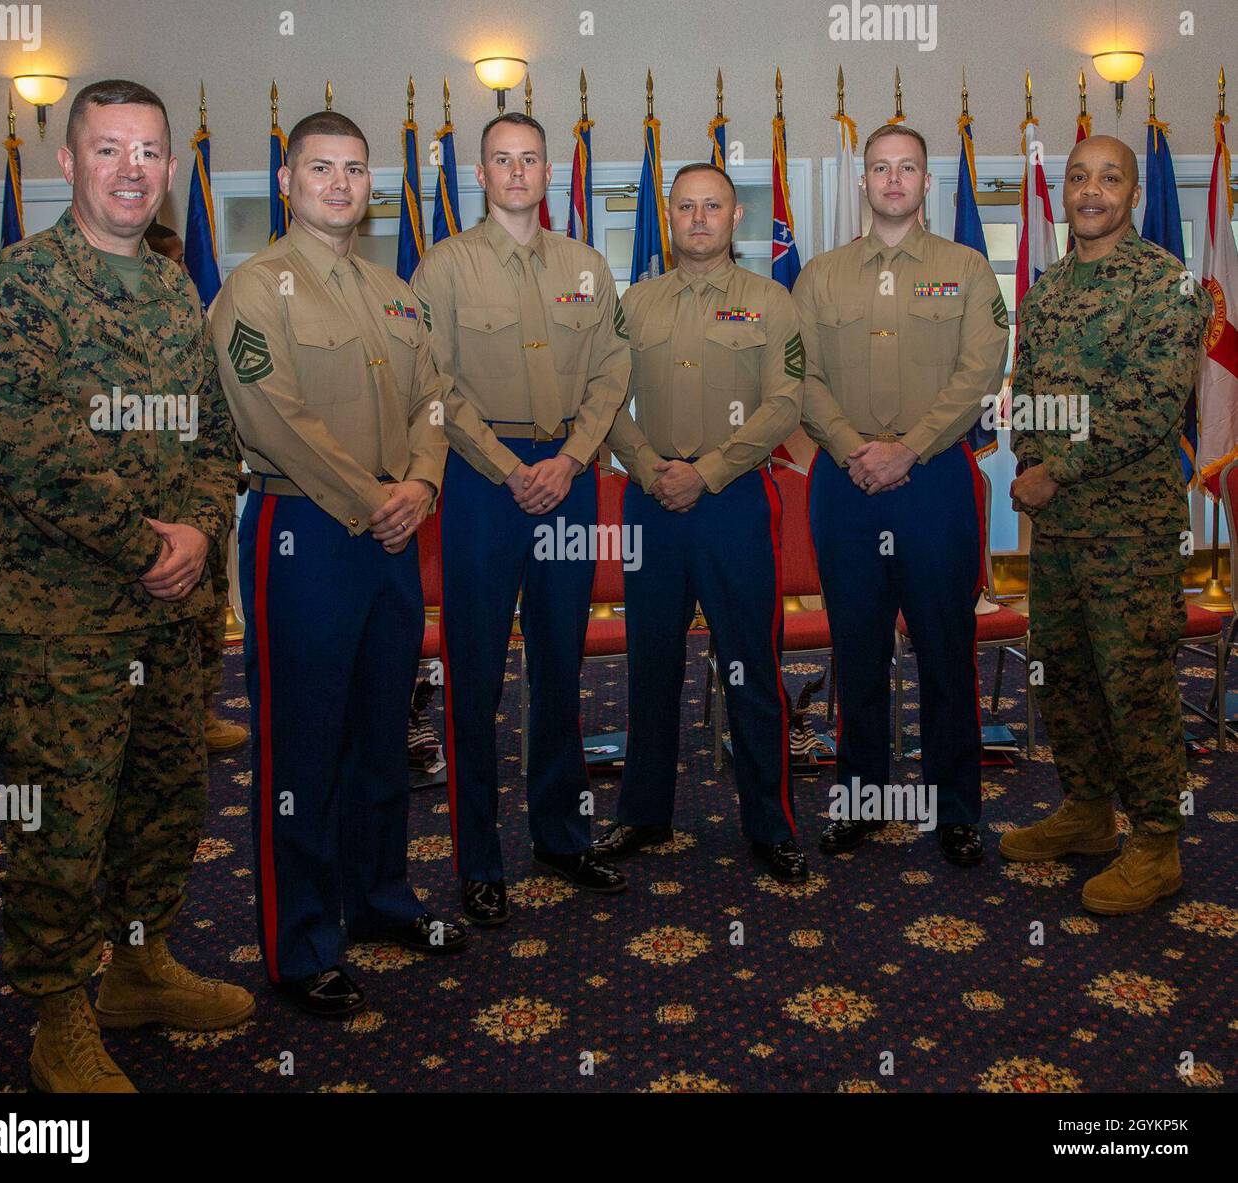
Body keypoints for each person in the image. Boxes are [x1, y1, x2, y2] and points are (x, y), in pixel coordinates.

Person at [0, 79, 253, 1093]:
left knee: (163, 804)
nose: (132, 169)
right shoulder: (18, 287)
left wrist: (202, 527)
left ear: (169, 169)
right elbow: (16, 446)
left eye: (149, 153)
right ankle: (57, 1017)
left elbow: (219, 436)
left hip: (175, 614)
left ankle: (138, 967)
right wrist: (142, 543)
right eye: (109, 149)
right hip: (67, 624)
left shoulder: (175, 288)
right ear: (68, 162)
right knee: (63, 819)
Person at [211, 111, 463, 1017]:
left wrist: (424, 486)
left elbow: (436, 400)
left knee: (382, 740)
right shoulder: (255, 288)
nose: (340, 184)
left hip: (395, 536)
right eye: (321, 168)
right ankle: (301, 942)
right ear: (287, 181)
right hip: (306, 535)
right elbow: (274, 419)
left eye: (355, 170)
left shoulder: (395, 292)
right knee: (302, 751)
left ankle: (382, 900)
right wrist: (377, 501)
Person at [411, 113, 632, 925]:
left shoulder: (585, 266)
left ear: (549, 171)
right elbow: (434, 385)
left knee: (561, 666)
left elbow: (614, 367)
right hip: (482, 483)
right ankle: (478, 858)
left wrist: (571, 460)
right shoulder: (444, 269)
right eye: (501, 159)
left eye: (529, 158)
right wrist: (512, 470)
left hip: (569, 476)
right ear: (481, 173)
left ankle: (562, 835)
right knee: (474, 677)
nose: (516, 171)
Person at [1002, 135, 1211, 914]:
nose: (1092, 191)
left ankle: (1157, 842)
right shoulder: (1049, 289)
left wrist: (1052, 471)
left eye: (1109, 178)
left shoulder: (1167, 283)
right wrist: (1028, 461)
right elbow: (1025, 389)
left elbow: (1148, 406)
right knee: (1064, 673)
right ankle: (1088, 810)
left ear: (1134, 194)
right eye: (1079, 178)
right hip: (1057, 532)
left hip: (1131, 530)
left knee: (1137, 683)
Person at [792, 124, 1009, 866]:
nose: (892, 180)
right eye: (880, 168)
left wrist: (908, 449)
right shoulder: (821, 276)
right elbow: (801, 377)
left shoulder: (968, 268)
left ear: (926, 181)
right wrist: (858, 450)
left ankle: (955, 809)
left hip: (934, 482)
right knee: (857, 652)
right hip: (845, 484)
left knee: (946, 651)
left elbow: (980, 370)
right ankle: (864, 797)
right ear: (863, 180)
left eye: (906, 168)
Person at [592, 163, 808, 882]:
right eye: (684, 206)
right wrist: (650, 468)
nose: (698, 218)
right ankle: (642, 814)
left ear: (735, 217)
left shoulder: (770, 302)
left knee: (750, 666)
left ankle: (770, 824)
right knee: (651, 667)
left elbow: (784, 402)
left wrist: (708, 470)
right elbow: (605, 402)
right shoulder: (635, 305)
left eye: (711, 206)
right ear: (669, 215)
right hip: (650, 503)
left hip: (733, 503)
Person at [145, 221, 248, 754]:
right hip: (138, 532)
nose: (184, 271)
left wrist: (204, 524)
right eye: (174, 260)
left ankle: (200, 714)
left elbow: (215, 423)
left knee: (203, 619)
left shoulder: (187, 316)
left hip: (197, 515)